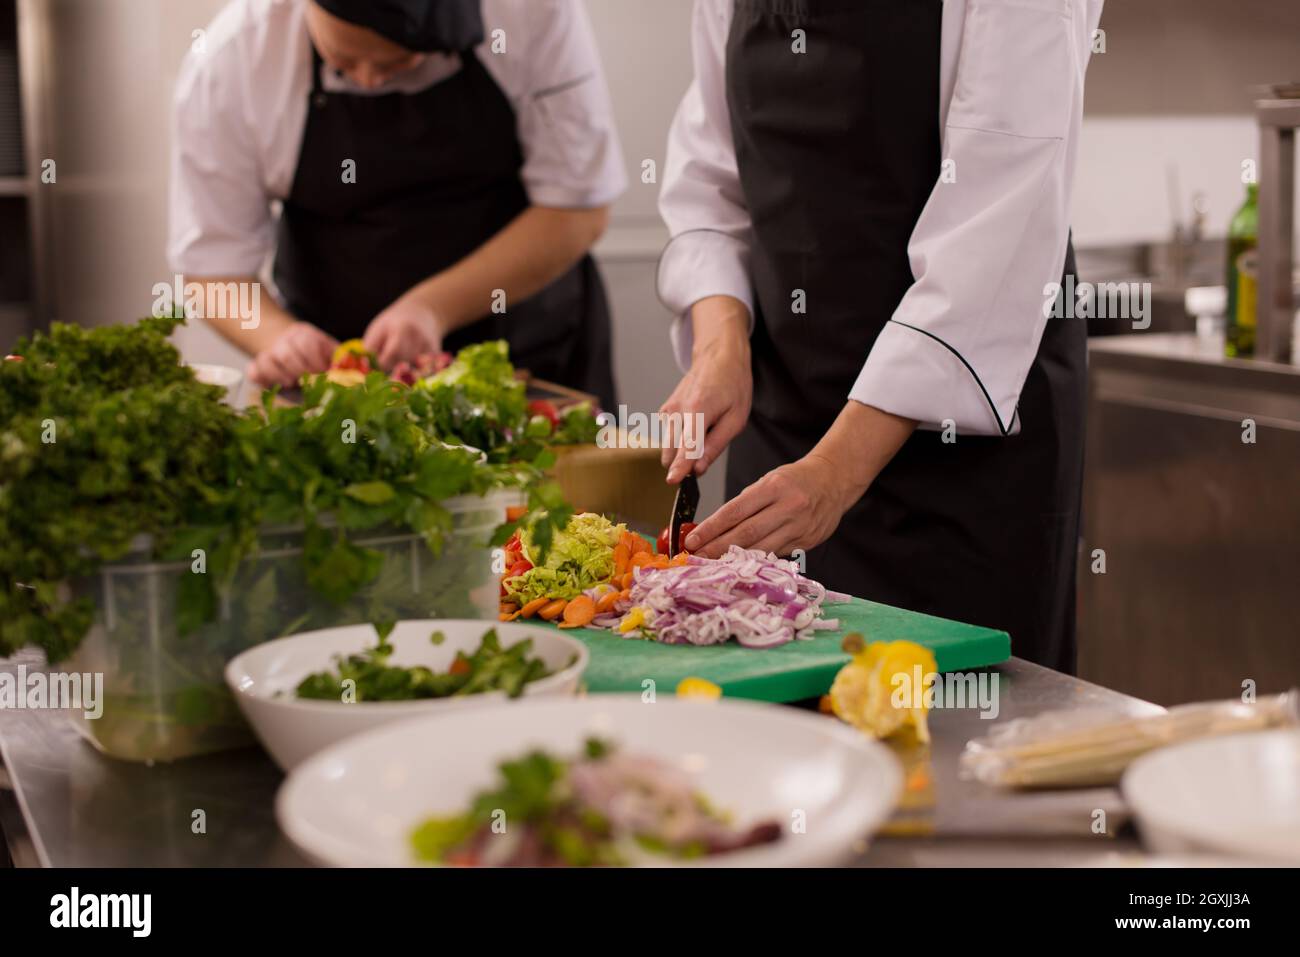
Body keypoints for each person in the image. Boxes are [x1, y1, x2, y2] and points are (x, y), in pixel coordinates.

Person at [656, 0, 1105, 672]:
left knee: (951, 738)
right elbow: (710, 176)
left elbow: (997, 225)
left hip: (960, 457)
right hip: (784, 419)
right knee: (772, 721)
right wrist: (722, 345)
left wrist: (836, 473)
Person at [168, 0, 625, 406]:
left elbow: (577, 211)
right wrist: (278, 338)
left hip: (528, 356)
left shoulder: (531, 13)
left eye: (401, 61)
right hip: (342, 391)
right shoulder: (234, 58)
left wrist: (432, 307)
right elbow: (214, 267)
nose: (369, 80)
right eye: (345, 62)